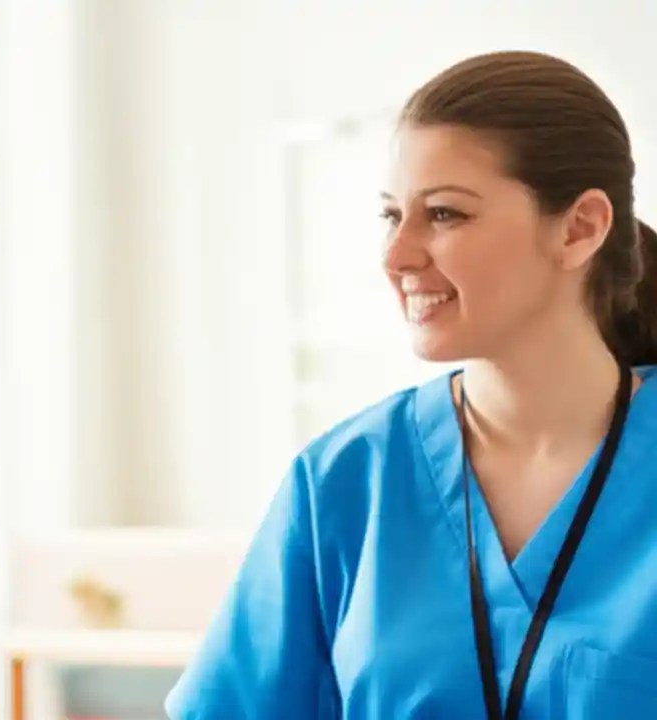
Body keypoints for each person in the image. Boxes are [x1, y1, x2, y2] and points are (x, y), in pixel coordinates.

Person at [166, 50, 657, 718]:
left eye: (446, 214)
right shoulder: (345, 482)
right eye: (392, 216)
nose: (396, 257)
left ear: (580, 228)